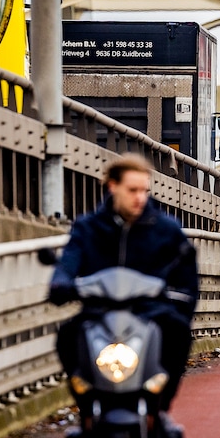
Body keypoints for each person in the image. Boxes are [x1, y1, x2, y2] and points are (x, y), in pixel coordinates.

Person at [49, 153, 199, 415]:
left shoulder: (166, 229)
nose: (140, 197)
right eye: (132, 190)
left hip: (150, 313)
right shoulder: (88, 228)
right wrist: (60, 283)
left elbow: (186, 278)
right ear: (112, 186)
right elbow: (68, 263)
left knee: (178, 333)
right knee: (67, 336)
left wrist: (181, 304)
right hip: (100, 312)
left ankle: (160, 406)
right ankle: (85, 407)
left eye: (144, 190)